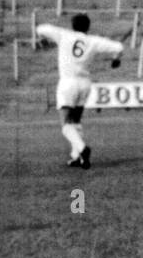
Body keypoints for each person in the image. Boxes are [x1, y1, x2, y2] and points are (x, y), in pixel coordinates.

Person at [35, 12, 124, 168]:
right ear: (88, 27)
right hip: (85, 84)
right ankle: (77, 157)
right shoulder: (93, 41)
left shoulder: (63, 35)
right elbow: (119, 47)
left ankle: (83, 149)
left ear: (72, 25)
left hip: (68, 83)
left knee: (65, 123)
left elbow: (41, 28)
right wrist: (116, 59)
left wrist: (44, 38)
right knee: (75, 121)